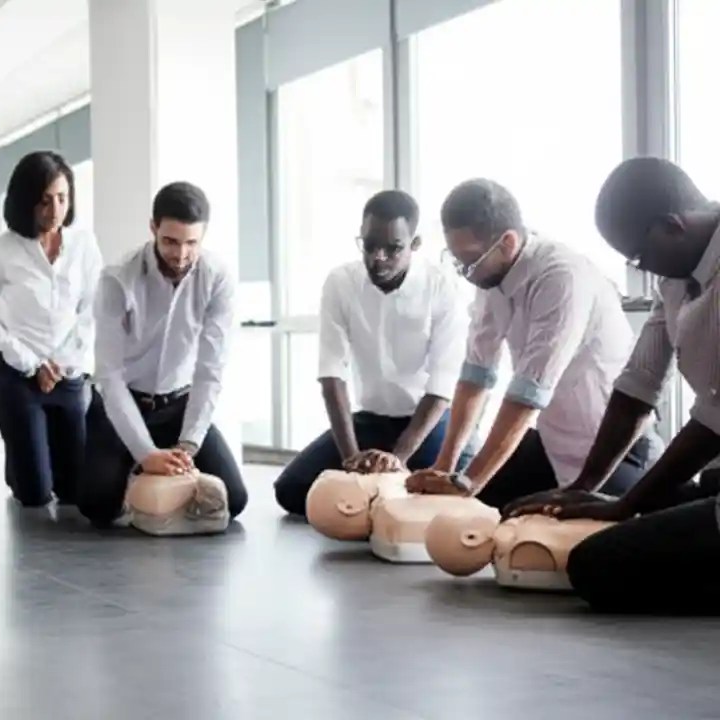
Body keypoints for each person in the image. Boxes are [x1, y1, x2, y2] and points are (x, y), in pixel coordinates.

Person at [503, 158, 720, 613]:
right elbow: (638, 383)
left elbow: (714, 419)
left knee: (597, 566)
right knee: (636, 514)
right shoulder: (677, 281)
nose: (640, 269)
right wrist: (583, 485)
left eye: (638, 256)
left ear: (672, 227)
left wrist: (625, 506)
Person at [403, 179, 659, 508]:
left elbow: (528, 392)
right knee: (472, 508)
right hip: (554, 444)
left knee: (585, 546)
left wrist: (468, 482)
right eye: (457, 261)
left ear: (507, 243)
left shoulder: (561, 277)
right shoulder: (488, 274)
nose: (466, 273)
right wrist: (445, 467)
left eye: (469, 261)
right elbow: (476, 375)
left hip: (616, 451)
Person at [273, 190, 470, 515]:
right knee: (291, 491)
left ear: (415, 244)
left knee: (448, 494)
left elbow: (440, 388)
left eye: (392, 249)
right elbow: (332, 374)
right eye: (369, 245)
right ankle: (379, 501)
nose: (378, 257)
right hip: (370, 421)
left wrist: (398, 458)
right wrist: (351, 458)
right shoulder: (341, 282)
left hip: (425, 423)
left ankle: (385, 500)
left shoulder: (442, 287)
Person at [78, 181, 247, 527]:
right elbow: (109, 377)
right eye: (170, 241)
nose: (180, 255)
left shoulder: (217, 278)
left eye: (191, 243)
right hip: (122, 405)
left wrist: (188, 446)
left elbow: (209, 370)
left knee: (235, 499)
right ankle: (137, 475)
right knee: (97, 506)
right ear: (153, 227)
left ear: (203, 237)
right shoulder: (116, 279)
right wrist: (146, 453)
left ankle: (157, 477)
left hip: (177, 407)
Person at [0, 151, 103, 507]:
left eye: (62, 198)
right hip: (17, 376)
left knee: (74, 492)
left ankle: (34, 450)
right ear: (25, 201)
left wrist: (63, 361)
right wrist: (26, 359)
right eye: (44, 200)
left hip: (66, 374)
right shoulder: (3, 250)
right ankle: (22, 460)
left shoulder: (84, 244)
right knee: (35, 494)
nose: (55, 210)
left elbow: (94, 306)